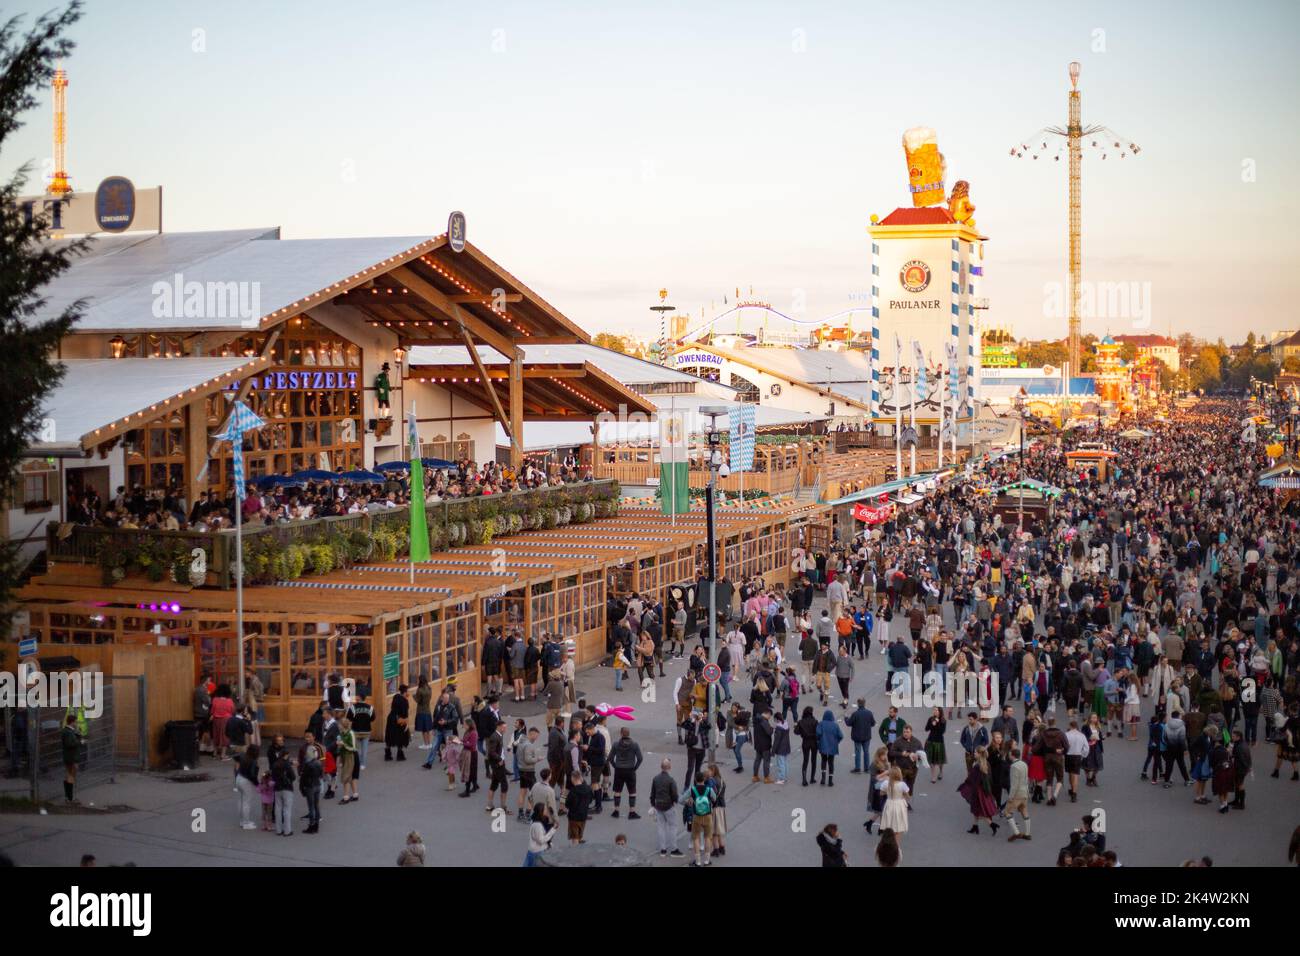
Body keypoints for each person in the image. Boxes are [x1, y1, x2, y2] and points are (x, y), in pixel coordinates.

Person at [958, 746, 1000, 836]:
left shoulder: (977, 766)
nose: (974, 754)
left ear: (980, 754)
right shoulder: (986, 764)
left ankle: (992, 825)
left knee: (980, 810)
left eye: (976, 753)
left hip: (978, 791)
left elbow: (972, 779)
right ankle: (975, 826)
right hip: (984, 790)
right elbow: (990, 778)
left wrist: (964, 785)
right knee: (976, 809)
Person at [649, 758, 683, 858]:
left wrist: (653, 805)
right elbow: (674, 795)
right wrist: (675, 802)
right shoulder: (671, 780)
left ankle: (663, 849)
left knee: (661, 827)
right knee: (672, 827)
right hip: (668, 806)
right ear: (670, 767)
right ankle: (673, 849)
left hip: (658, 805)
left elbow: (652, 793)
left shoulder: (655, 778)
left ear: (661, 767)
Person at [683, 770, 717, 867]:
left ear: (695, 779)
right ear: (704, 779)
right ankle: (706, 861)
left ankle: (697, 862)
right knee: (707, 838)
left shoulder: (692, 790)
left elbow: (681, 799)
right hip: (708, 816)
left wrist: (688, 802)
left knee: (696, 838)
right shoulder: (709, 789)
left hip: (696, 816)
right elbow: (714, 799)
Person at [608, 726, 643, 819]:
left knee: (617, 791)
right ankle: (632, 812)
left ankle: (616, 811)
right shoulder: (634, 744)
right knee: (632, 791)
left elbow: (610, 758)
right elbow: (640, 758)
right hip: (630, 770)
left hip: (619, 769)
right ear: (629, 734)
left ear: (621, 733)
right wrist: (635, 767)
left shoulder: (616, 744)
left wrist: (615, 766)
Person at [1003, 746, 1032, 842]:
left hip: (1017, 794)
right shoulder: (1024, 764)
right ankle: (1027, 834)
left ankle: (1016, 833)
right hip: (1024, 792)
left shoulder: (1014, 766)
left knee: (1007, 812)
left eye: (1009, 754)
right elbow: (1026, 778)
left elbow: (1014, 784)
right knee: (1024, 810)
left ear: (1012, 756)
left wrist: (1010, 797)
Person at [846, 698, 877, 774]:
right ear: (864, 703)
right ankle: (866, 768)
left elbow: (849, 723)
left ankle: (858, 768)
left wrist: (846, 718)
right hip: (867, 736)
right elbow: (873, 723)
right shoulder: (869, 713)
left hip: (857, 736)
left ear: (858, 704)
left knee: (858, 752)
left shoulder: (855, 714)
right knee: (866, 752)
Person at [879, 766, 910, 841]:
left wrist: (888, 792)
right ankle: (896, 846)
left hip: (889, 803)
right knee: (898, 827)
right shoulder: (902, 784)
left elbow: (881, 793)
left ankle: (887, 843)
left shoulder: (886, 783)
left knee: (889, 824)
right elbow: (908, 796)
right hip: (899, 804)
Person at [270, 747, 296, 836]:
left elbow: (272, 777)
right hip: (287, 788)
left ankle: (278, 830)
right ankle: (287, 830)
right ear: (286, 755)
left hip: (277, 788)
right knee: (287, 810)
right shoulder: (287, 764)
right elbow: (293, 777)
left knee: (278, 809)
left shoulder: (275, 764)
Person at [346, 692, 374, 771]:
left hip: (356, 730)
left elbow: (349, 718)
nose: (356, 697)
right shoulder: (370, 707)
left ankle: (357, 764)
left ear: (359, 697)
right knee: (364, 749)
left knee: (356, 748)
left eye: (357, 696)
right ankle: (363, 764)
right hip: (367, 731)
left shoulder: (353, 707)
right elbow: (373, 718)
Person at [234, 744, 260, 830]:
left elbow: (235, 756)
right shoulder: (253, 761)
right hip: (246, 782)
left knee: (241, 801)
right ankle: (246, 823)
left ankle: (242, 821)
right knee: (246, 802)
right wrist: (257, 784)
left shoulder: (243, 756)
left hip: (239, 778)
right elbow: (252, 775)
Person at [564, 771, 593, 844]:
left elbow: (567, 804)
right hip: (584, 815)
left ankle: (575, 852)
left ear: (573, 779)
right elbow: (590, 800)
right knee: (580, 832)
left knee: (574, 836)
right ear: (580, 778)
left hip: (574, 817)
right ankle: (579, 842)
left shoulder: (573, 791)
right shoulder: (588, 789)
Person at [816, 708, 843, 786]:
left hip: (823, 745)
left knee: (823, 761)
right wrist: (836, 742)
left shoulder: (821, 724)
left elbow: (818, 733)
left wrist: (819, 741)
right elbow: (841, 736)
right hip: (833, 746)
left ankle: (823, 778)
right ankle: (830, 780)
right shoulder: (835, 725)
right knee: (831, 763)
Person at [60, 713, 82, 804]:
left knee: (70, 776)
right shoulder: (68, 732)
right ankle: (69, 798)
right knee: (71, 776)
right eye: (76, 722)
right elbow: (70, 744)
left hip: (69, 756)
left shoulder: (68, 731)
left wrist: (78, 736)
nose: (77, 723)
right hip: (71, 757)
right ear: (72, 722)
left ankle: (68, 797)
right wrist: (79, 741)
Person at [384, 684, 410, 761]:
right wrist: (406, 722)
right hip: (399, 720)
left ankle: (387, 754)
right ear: (405, 692)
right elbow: (405, 713)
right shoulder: (405, 701)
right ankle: (400, 755)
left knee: (390, 735)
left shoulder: (395, 697)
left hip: (391, 718)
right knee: (400, 736)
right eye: (407, 691)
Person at [924, 707, 947, 783]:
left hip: (939, 741)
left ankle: (941, 771)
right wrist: (932, 724)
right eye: (934, 710)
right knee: (932, 761)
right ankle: (933, 776)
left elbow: (942, 731)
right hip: (930, 740)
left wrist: (938, 723)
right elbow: (926, 729)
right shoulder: (930, 719)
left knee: (939, 760)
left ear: (940, 712)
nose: (934, 711)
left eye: (936, 710)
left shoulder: (943, 720)